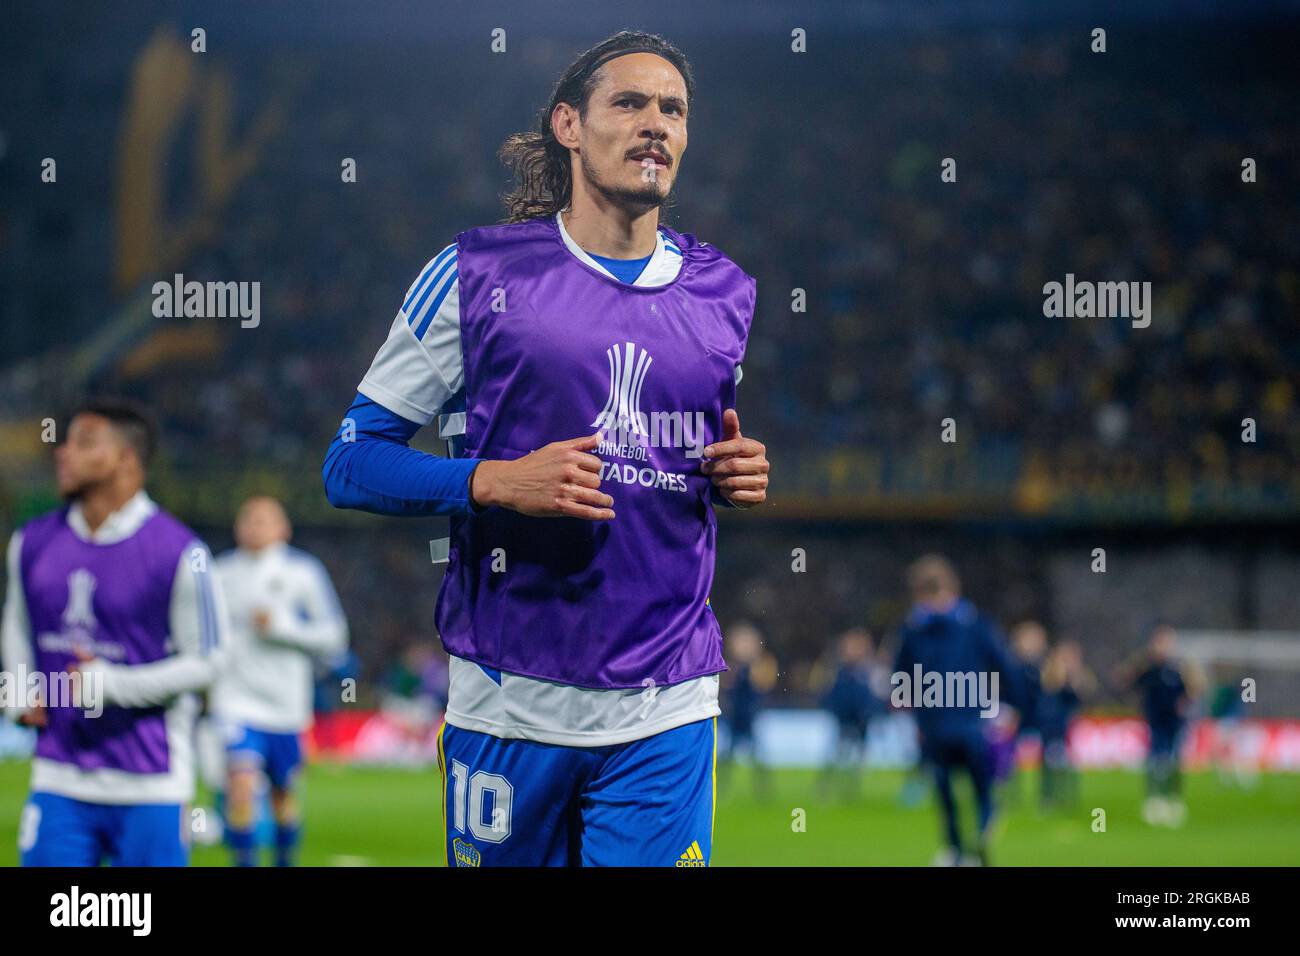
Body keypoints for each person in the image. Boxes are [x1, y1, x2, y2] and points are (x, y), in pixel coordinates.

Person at [322, 31, 767, 867]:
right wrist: (491, 480)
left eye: (673, 109)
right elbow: (350, 462)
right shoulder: (474, 275)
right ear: (568, 124)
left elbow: (671, 461)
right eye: (629, 103)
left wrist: (728, 474)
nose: (656, 125)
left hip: (664, 700)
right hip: (510, 701)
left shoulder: (725, 293)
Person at [1, 399, 227, 866]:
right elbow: (18, 623)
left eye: (84, 442)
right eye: (64, 442)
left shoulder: (182, 553)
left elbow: (211, 661)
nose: (63, 452)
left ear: (127, 459)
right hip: (59, 776)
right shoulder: (32, 541)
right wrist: (21, 688)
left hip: (151, 779)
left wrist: (113, 685)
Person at [211, 496, 349, 866]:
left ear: (283, 528)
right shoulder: (218, 574)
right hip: (235, 699)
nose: (254, 526)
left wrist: (282, 628)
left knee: (282, 796)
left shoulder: (304, 572)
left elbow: (335, 636)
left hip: (286, 704)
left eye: (263, 520)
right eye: (248, 519)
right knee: (240, 784)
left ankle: (284, 860)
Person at [893, 555, 1018, 866]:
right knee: (946, 789)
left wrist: (1008, 707)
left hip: (966, 721)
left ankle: (977, 836)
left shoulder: (972, 625)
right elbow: (902, 675)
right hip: (938, 723)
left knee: (972, 786)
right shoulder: (916, 629)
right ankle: (959, 847)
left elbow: (1003, 666)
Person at [1116, 624, 1199, 827]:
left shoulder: (1179, 669)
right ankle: (1154, 800)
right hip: (1155, 721)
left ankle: (1173, 799)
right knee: (1155, 760)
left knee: (1174, 761)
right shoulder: (1148, 668)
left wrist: (1186, 699)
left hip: (1175, 722)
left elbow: (1193, 691)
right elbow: (1124, 681)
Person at [816, 627, 881, 799]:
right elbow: (832, 695)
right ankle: (826, 787)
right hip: (844, 720)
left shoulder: (867, 671)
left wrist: (868, 715)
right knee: (838, 754)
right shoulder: (840, 671)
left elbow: (872, 697)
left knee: (857, 759)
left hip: (861, 721)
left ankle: (848, 789)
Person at [719, 621, 778, 798]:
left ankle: (763, 789)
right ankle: (722, 786)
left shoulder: (758, 666)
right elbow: (725, 687)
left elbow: (763, 686)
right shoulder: (731, 667)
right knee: (728, 755)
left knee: (755, 754)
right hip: (735, 716)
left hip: (748, 716)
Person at [1037, 638, 1095, 809]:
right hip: (1051, 723)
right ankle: (1048, 796)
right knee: (1050, 761)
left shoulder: (1077, 676)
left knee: (1066, 762)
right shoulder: (1050, 673)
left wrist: (1075, 677)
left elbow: (1083, 694)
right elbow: (1049, 690)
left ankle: (1064, 795)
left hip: (1068, 724)